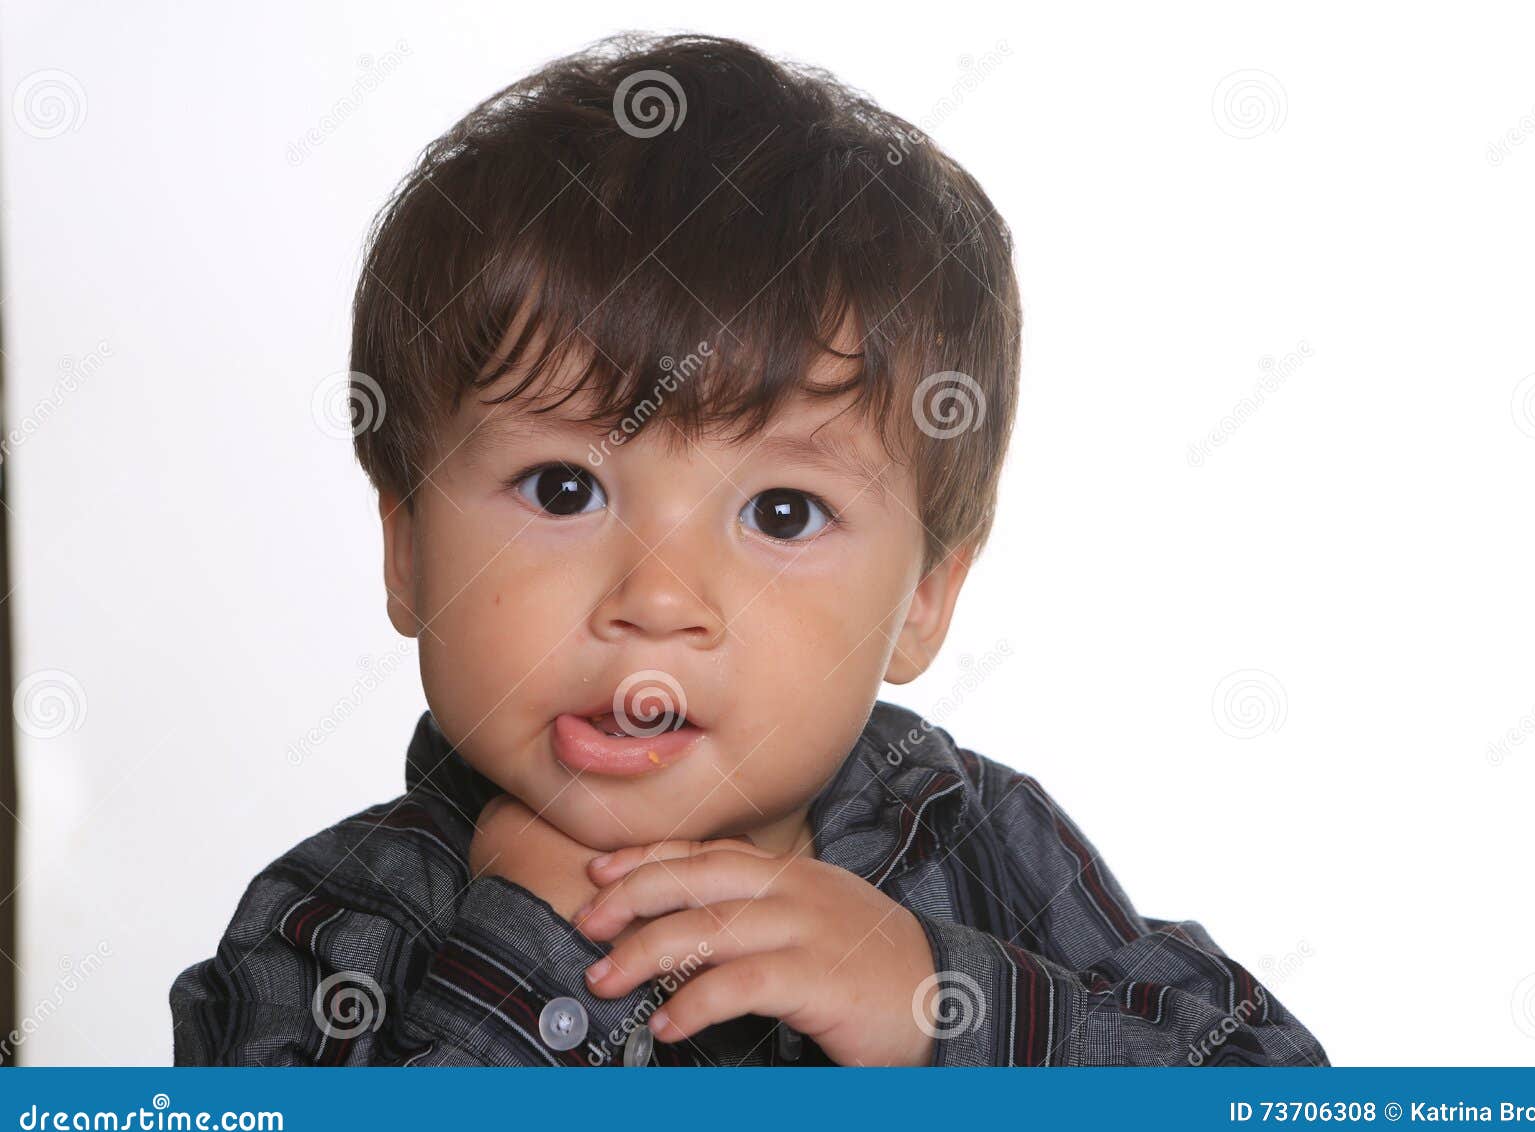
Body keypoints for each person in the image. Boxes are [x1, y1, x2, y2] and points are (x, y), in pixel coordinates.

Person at [170, 31, 1327, 1067]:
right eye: (563, 487)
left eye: (781, 513)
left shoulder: (966, 836)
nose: (659, 599)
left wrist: (943, 1003)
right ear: (408, 550)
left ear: (924, 596)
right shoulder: (332, 924)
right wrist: (528, 963)